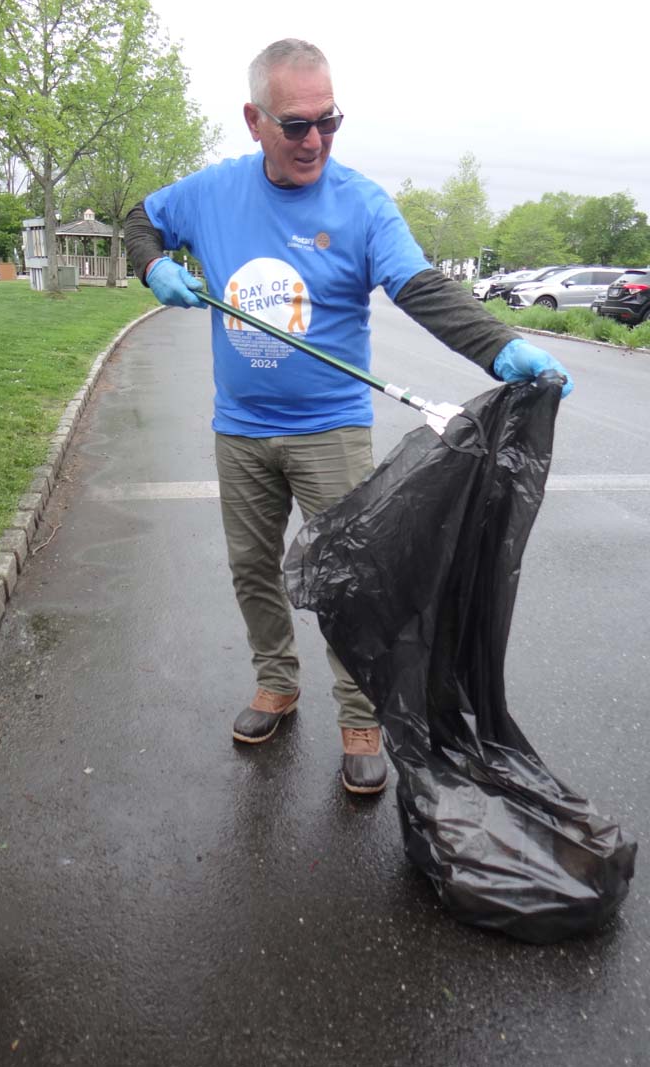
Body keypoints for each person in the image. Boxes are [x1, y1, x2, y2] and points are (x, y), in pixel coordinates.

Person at [124, 38, 573, 797]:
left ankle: (361, 717)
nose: (315, 140)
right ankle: (276, 682)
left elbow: (421, 287)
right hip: (239, 428)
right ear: (253, 120)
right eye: (295, 125)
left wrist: (501, 349)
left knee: (350, 581)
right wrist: (151, 264)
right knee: (250, 567)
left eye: (329, 121)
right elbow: (140, 218)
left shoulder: (361, 203)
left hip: (330, 429)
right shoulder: (212, 193)